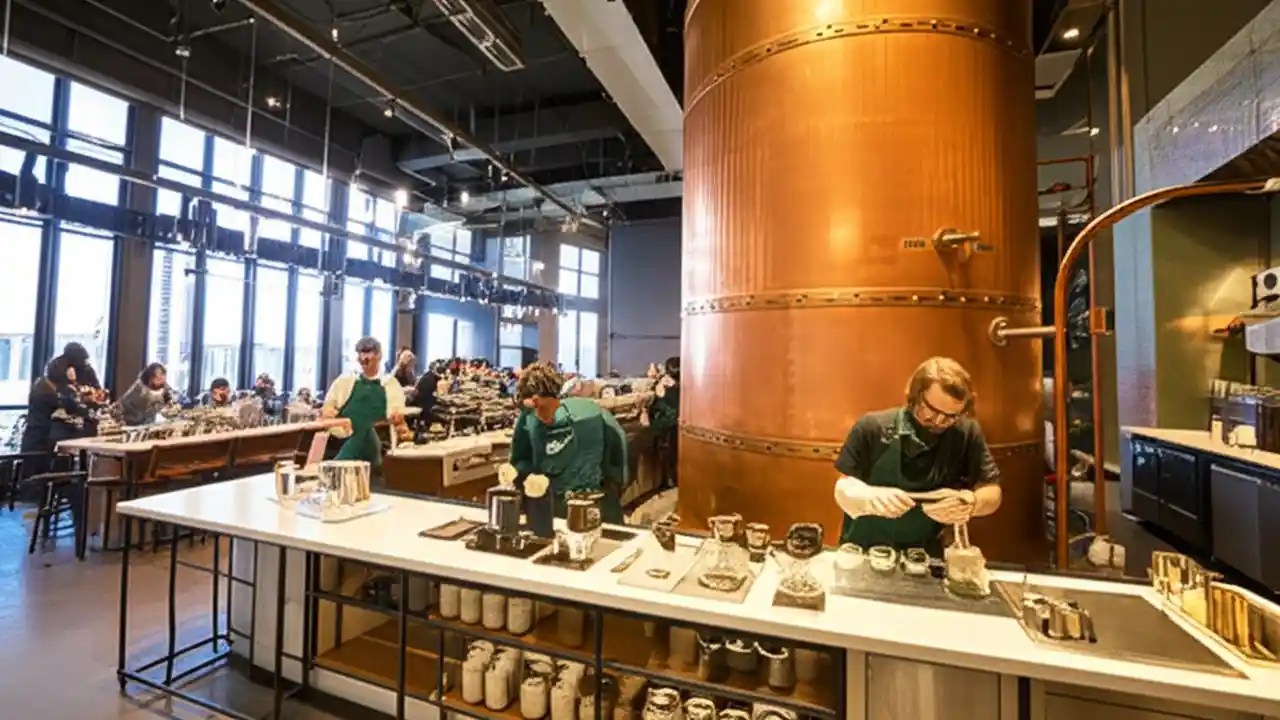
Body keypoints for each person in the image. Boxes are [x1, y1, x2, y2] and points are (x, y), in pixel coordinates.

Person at [833, 357, 1002, 555]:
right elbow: (843, 486)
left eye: (951, 416)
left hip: (926, 556)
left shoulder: (965, 433)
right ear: (914, 395)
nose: (939, 422)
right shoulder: (872, 427)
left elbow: (992, 491)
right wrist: (868, 497)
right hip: (863, 552)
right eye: (931, 411)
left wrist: (971, 503)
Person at [509, 361, 629, 522]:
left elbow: (519, 464)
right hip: (598, 508)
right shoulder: (593, 411)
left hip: (549, 513)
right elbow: (619, 459)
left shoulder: (528, 419)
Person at [322, 336, 407, 466]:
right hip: (343, 437)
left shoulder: (390, 384)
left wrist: (398, 421)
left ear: (378, 356)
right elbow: (328, 407)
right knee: (361, 435)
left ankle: (337, 469)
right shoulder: (345, 381)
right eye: (360, 354)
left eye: (367, 354)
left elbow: (398, 416)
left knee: (367, 432)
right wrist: (329, 414)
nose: (363, 359)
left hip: (375, 441)